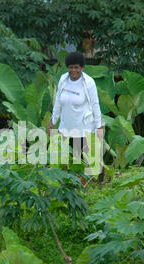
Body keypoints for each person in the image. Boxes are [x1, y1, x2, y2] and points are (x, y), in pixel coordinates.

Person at [48, 52, 104, 183]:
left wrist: (99, 126)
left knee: (81, 161)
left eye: (76, 67)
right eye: (71, 67)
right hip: (65, 127)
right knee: (64, 159)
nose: (73, 70)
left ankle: (82, 188)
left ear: (82, 68)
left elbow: (95, 105)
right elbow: (58, 101)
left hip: (82, 129)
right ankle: (64, 186)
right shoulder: (63, 79)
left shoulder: (88, 82)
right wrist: (53, 121)